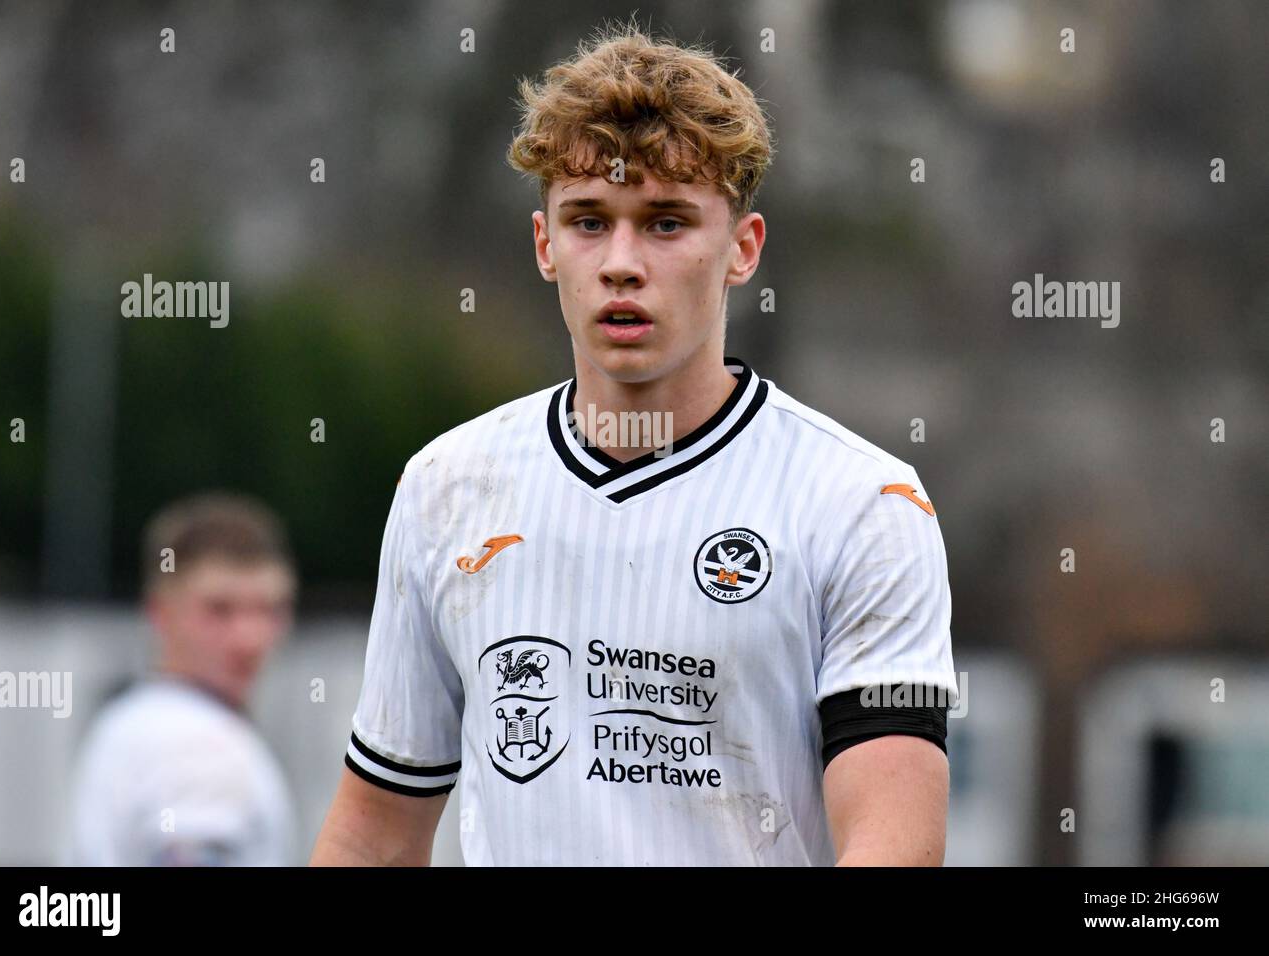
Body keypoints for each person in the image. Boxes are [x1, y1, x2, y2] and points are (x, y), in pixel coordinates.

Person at [312, 21, 956, 866]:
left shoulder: (867, 506)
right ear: (545, 246)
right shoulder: (447, 486)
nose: (620, 263)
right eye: (588, 221)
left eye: (664, 223)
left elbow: (895, 845)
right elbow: (375, 838)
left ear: (742, 250)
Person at [69, 493, 297, 866]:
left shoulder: (131, 721)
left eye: (269, 609)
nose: (250, 638)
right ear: (160, 612)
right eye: (219, 609)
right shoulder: (198, 746)